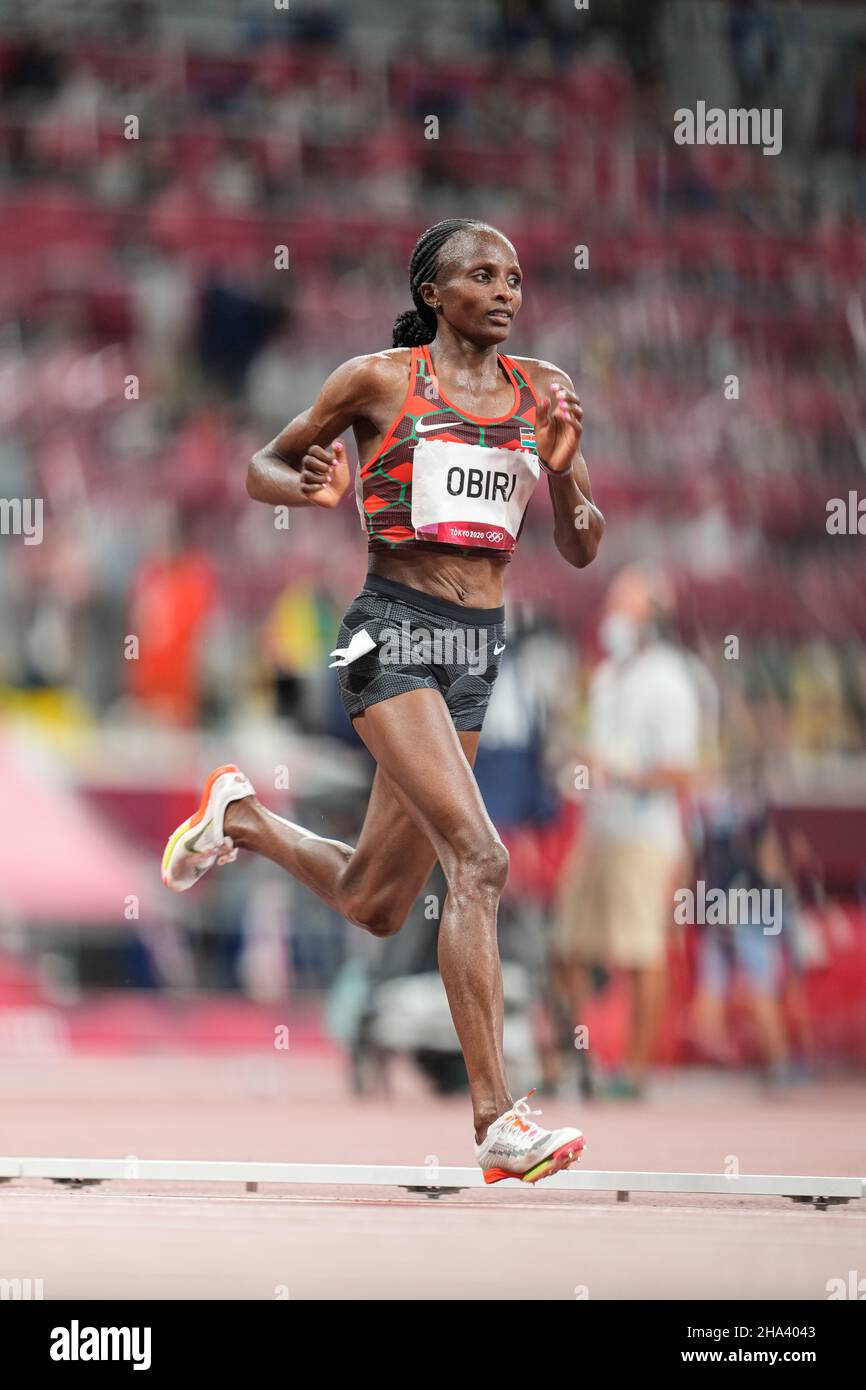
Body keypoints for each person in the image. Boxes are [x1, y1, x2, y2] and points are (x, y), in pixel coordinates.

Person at [161, 217, 605, 1183]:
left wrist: (566, 471)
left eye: (515, 277)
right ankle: (497, 1121)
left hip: (477, 652)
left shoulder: (543, 393)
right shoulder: (379, 381)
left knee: (374, 900)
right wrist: (309, 490)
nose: (504, 290)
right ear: (433, 295)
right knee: (478, 859)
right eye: (480, 275)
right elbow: (261, 464)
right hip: (389, 630)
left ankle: (240, 817)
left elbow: (580, 543)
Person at [552, 565, 700, 1099]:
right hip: (600, 828)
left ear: (652, 619)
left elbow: (682, 771)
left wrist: (620, 770)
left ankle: (635, 1074)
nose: (613, 618)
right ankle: (578, 1060)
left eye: (626, 608)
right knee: (566, 946)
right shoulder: (609, 675)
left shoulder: (672, 681)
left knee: (640, 953)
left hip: (645, 836)